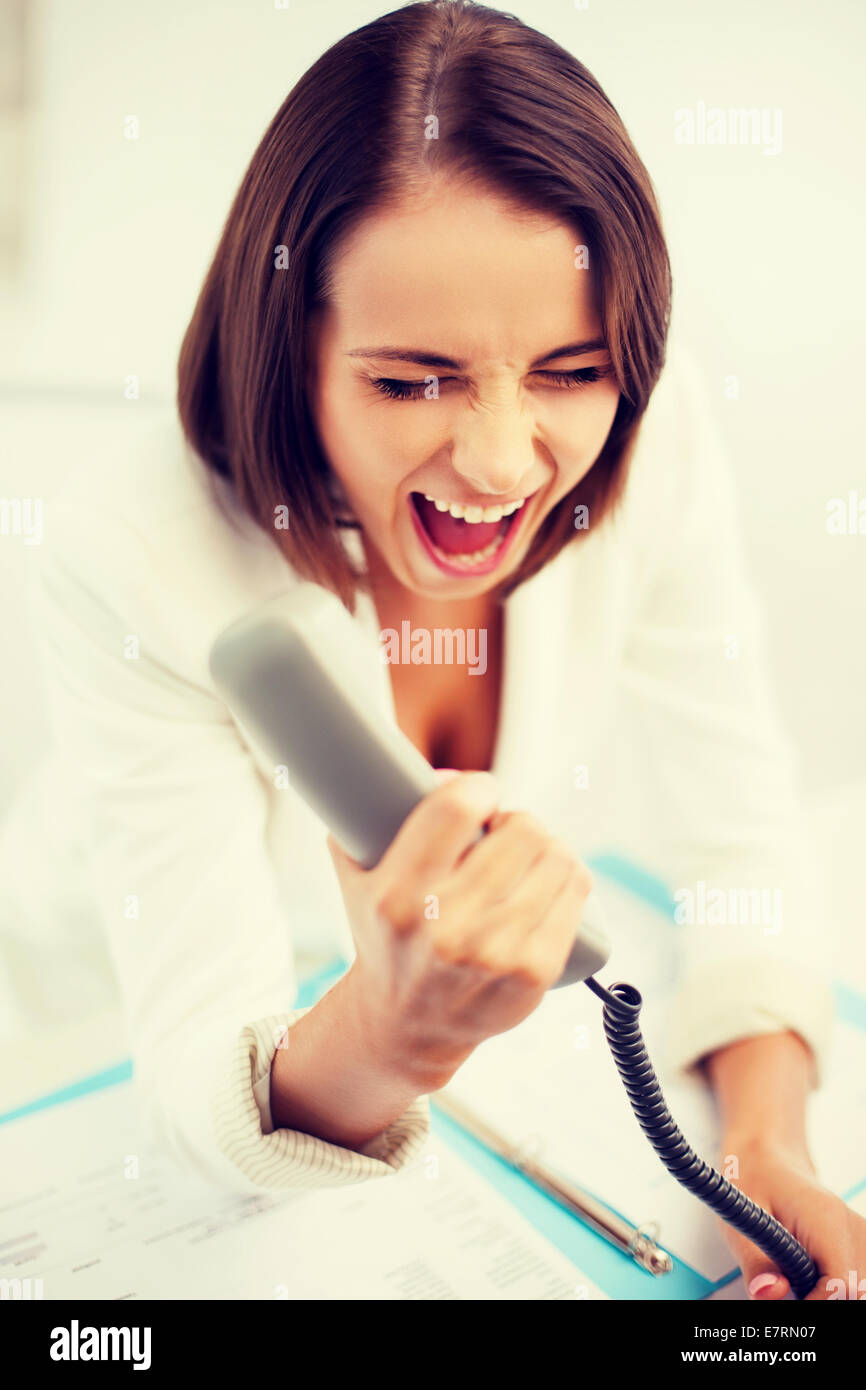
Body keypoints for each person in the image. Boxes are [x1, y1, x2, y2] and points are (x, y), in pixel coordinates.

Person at [5, 0, 863, 1300]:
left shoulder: (654, 425)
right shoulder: (129, 547)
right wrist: (386, 1033)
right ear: (285, 350)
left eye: (569, 370)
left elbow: (737, 837)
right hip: (87, 1047)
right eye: (412, 381)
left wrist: (761, 1144)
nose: (502, 462)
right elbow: (196, 1077)